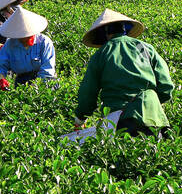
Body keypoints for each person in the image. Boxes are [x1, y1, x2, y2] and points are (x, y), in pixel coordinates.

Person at [72, 9, 175, 137]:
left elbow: (88, 93)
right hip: (154, 117)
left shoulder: (102, 53)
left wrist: (80, 118)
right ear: (125, 29)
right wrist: (149, 104)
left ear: (104, 33)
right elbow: (166, 87)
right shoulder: (145, 48)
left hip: (121, 120)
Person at [0, 8, 57, 87]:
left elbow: (47, 70)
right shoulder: (10, 44)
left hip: (44, 81)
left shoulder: (44, 42)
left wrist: (34, 88)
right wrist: (0, 78)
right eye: (21, 36)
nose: (24, 39)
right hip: (21, 80)